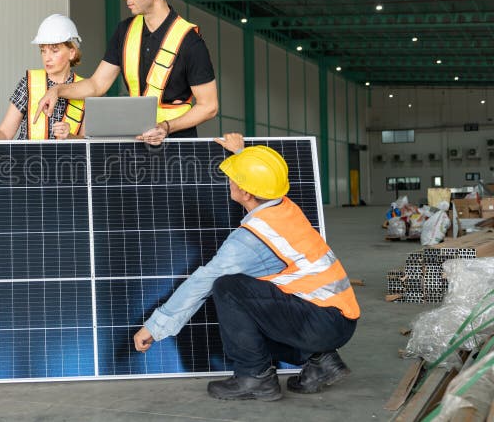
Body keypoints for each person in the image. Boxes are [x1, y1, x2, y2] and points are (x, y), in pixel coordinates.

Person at [132, 133, 360, 401]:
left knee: (228, 288)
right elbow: (261, 183)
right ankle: (320, 361)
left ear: (246, 191)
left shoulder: (251, 240)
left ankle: (255, 377)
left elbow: (201, 282)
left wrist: (154, 327)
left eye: (234, 178)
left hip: (320, 323)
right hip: (339, 319)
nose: (230, 181)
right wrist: (241, 154)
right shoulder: (282, 205)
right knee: (255, 298)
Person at [33, 0, 218, 145]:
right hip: (136, 146)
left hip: (177, 149)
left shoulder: (189, 41)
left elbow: (209, 106)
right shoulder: (125, 31)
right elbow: (97, 85)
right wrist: (57, 90)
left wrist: (165, 127)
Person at [0, 14, 86, 141]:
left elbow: (90, 142)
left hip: (67, 161)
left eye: (54, 51)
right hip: (27, 160)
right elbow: (4, 133)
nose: (47, 57)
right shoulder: (28, 83)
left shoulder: (85, 89)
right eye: (43, 51)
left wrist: (70, 137)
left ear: (72, 53)